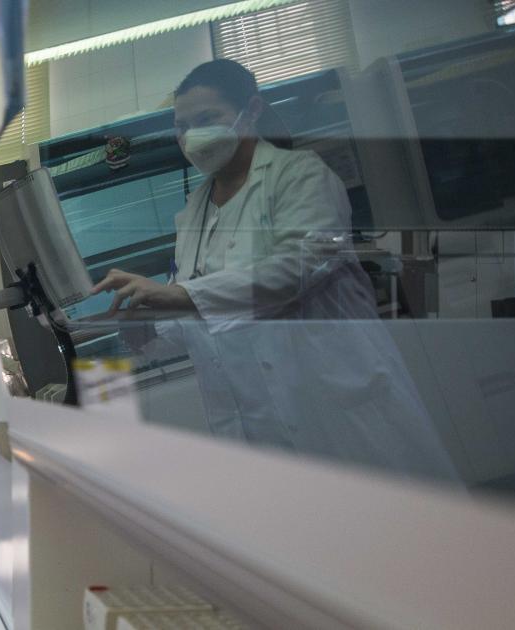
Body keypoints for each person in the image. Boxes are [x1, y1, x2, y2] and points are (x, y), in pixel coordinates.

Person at [92, 60, 458, 481]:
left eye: (207, 119)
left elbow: (296, 269)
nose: (191, 136)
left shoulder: (300, 177)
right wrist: (150, 328)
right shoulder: (194, 213)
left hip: (335, 406)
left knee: (396, 515)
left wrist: (178, 296)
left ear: (251, 111)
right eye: (182, 126)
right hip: (259, 425)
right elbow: (201, 307)